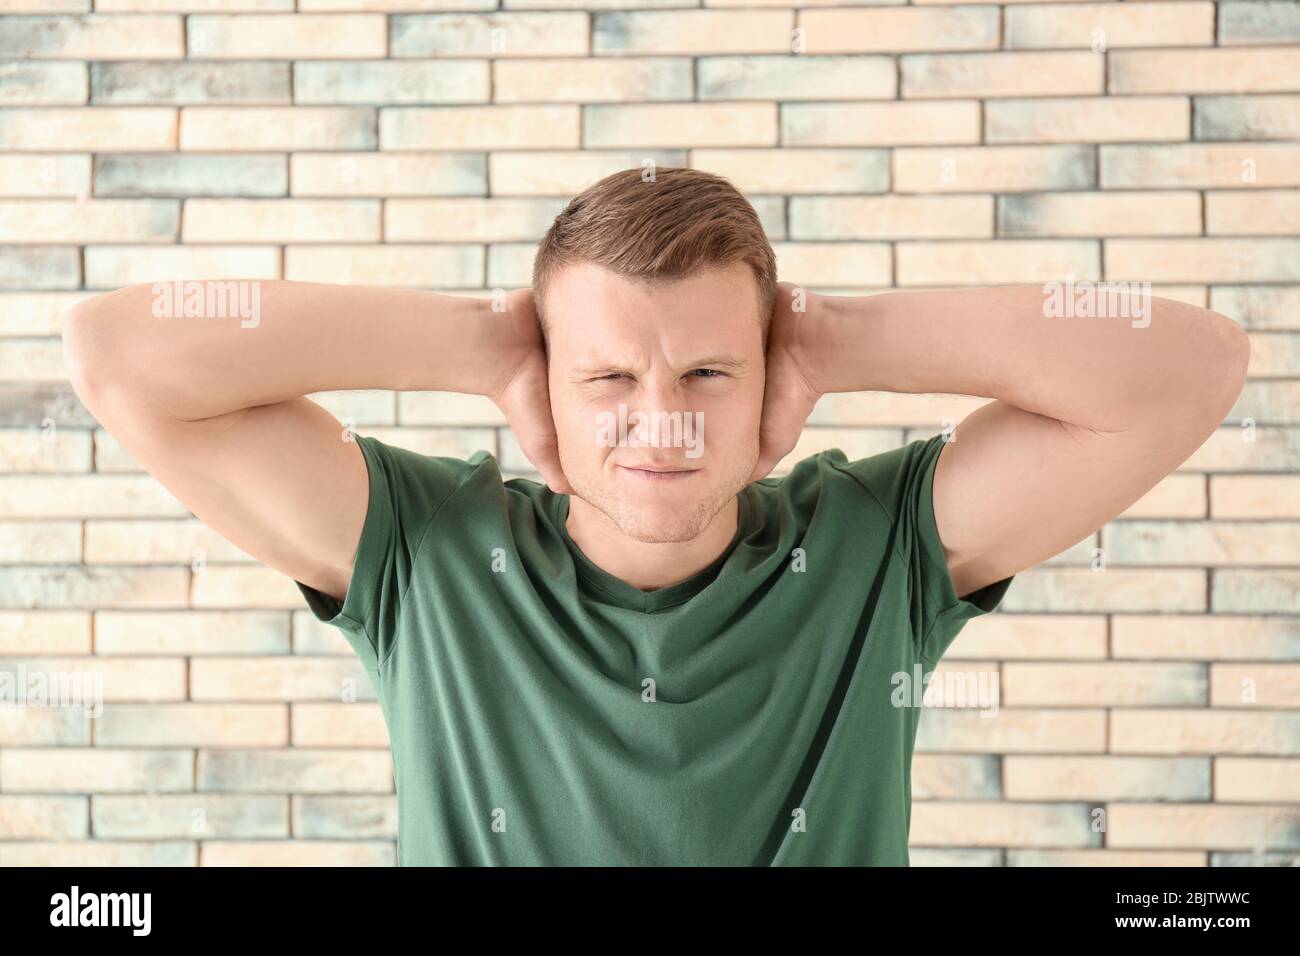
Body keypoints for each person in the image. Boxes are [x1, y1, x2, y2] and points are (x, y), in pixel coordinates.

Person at [63, 166, 1249, 865]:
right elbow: (119, 354)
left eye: (708, 374)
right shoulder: (424, 548)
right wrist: (479, 345)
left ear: (768, 382)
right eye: (608, 379)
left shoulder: (871, 546)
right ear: (550, 386)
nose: (661, 423)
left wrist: (833, 338)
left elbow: (1191, 365)